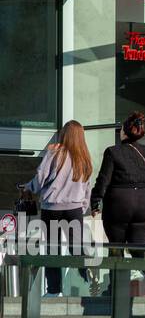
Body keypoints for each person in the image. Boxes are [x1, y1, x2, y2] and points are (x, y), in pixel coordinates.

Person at [22, 121, 95, 296]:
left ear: (65, 134)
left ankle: (54, 290)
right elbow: (87, 187)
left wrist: (29, 187)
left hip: (52, 208)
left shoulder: (55, 152)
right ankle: (87, 276)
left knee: (52, 249)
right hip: (74, 209)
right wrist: (82, 206)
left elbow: (40, 178)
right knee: (76, 247)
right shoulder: (84, 157)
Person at [90, 112, 145, 293]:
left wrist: (96, 202)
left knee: (116, 245)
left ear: (124, 132)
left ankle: (116, 289)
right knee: (139, 246)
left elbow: (103, 180)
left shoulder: (113, 151)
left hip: (119, 202)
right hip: (144, 201)